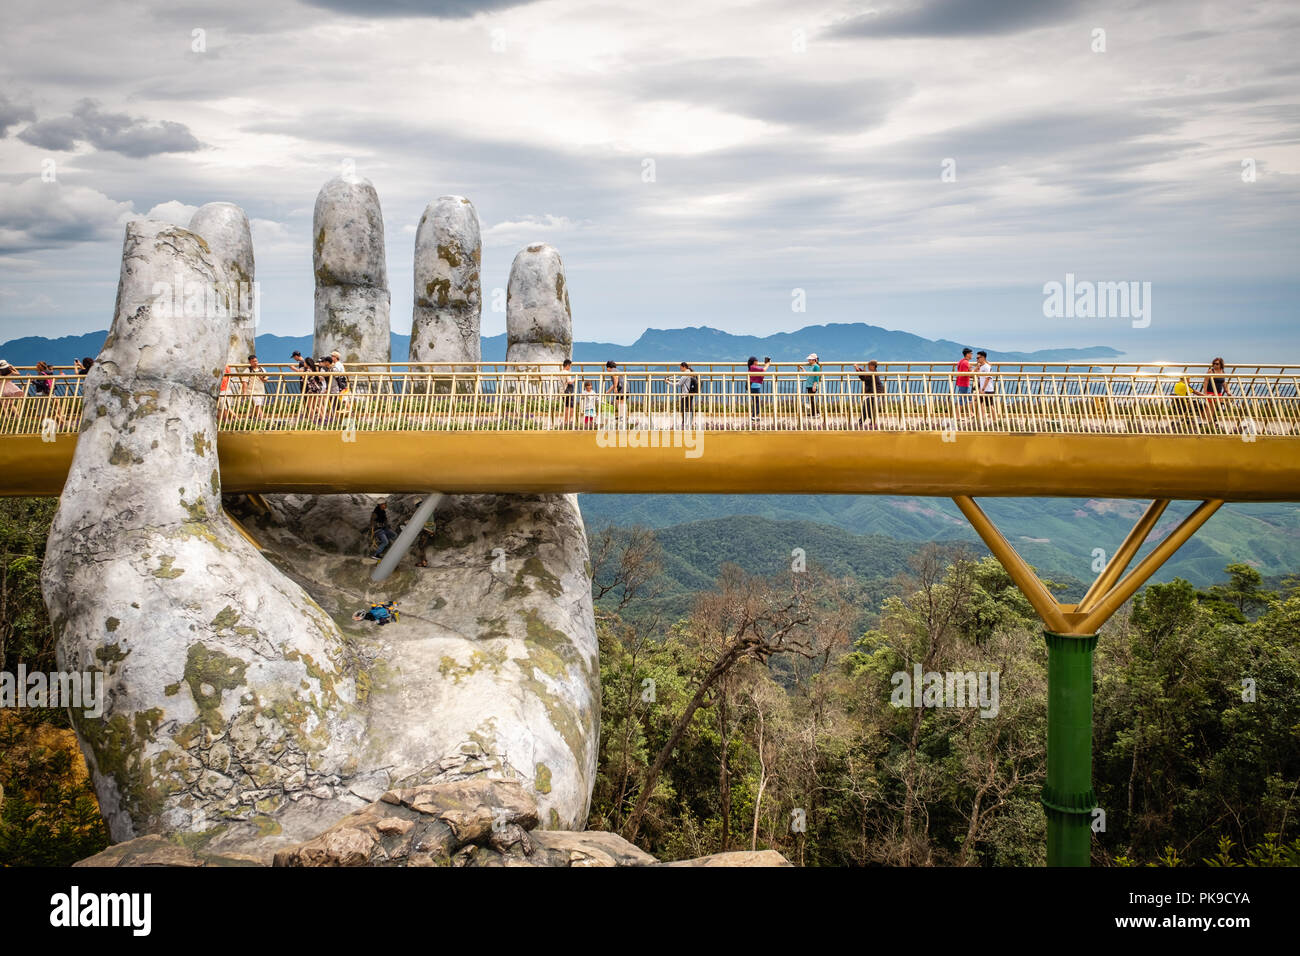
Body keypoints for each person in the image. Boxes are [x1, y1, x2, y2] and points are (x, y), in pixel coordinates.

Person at [854, 360, 884, 429]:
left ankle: (861, 423)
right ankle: (871, 423)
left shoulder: (873, 373)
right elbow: (864, 376)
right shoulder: (873, 373)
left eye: (869, 365)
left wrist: (858, 369)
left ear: (873, 366)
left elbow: (864, 377)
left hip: (874, 393)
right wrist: (858, 369)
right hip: (873, 393)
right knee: (869, 408)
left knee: (866, 407)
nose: (868, 367)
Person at [1200, 357, 1228, 426]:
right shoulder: (1210, 371)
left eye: (1217, 364)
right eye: (1214, 363)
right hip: (1211, 392)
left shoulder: (1222, 372)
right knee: (1211, 408)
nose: (1215, 365)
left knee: (1220, 407)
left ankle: (1207, 419)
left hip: (1219, 393)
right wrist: (1205, 393)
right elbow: (1205, 381)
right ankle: (1209, 422)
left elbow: (1224, 382)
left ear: (1221, 364)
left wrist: (1227, 391)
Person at [797, 353, 822, 422]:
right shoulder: (811, 366)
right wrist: (802, 368)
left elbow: (817, 376)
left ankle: (816, 413)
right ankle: (814, 413)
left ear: (814, 360)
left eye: (810, 359)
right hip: (809, 385)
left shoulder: (816, 367)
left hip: (812, 385)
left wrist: (814, 385)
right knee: (811, 399)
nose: (809, 360)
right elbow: (807, 374)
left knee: (812, 399)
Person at [245, 353, 269, 421]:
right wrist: (244, 392)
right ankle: (262, 420)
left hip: (261, 391)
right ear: (250, 362)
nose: (255, 363)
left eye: (256, 361)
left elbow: (266, 380)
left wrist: (261, 378)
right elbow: (244, 382)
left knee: (257, 406)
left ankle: (251, 416)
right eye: (253, 361)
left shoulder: (262, 369)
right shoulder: (248, 370)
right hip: (252, 391)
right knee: (258, 405)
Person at [675, 361, 697, 429]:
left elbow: (679, 384)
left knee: (684, 409)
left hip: (686, 394)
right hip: (690, 393)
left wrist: (668, 382)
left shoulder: (686, 374)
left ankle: (685, 423)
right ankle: (689, 423)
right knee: (689, 409)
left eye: (681, 368)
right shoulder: (690, 373)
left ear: (684, 367)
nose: (680, 369)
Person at [975, 350, 996, 422]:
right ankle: (980, 419)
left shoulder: (987, 367)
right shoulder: (981, 366)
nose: (977, 359)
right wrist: (977, 368)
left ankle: (995, 420)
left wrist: (983, 389)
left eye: (978, 358)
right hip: (982, 389)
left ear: (983, 358)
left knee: (990, 406)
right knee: (979, 403)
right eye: (976, 358)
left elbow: (987, 378)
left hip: (988, 389)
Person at [747, 356, 769, 422]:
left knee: (756, 402)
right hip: (754, 386)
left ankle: (755, 416)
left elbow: (761, 373)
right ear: (754, 362)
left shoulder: (753, 368)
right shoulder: (753, 367)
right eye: (757, 361)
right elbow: (763, 370)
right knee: (756, 402)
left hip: (755, 386)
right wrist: (767, 365)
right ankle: (754, 416)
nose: (758, 362)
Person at [604, 360, 625, 425]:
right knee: (619, 402)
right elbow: (614, 383)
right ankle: (622, 417)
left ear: (608, 367)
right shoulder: (616, 370)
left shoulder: (613, 370)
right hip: (623, 386)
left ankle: (622, 418)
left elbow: (616, 378)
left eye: (606, 368)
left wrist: (615, 387)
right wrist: (608, 391)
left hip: (621, 387)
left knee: (620, 402)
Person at [955, 347, 973, 419]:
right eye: (971, 354)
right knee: (962, 399)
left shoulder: (961, 361)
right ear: (967, 354)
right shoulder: (965, 362)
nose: (972, 355)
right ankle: (958, 416)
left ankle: (971, 414)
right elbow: (965, 374)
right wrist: (973, 370)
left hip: (961, 382)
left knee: (969, 399)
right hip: (964, 383)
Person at [561, 358, 576, 426]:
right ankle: (569, 421)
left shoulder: (560, 372)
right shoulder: (567, 372)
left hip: (562, 391)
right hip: (568, 391)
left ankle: (565, 421)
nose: (570, 367)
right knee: (571, 407)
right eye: (570, 366)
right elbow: (569, 382)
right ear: (567, 365)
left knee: (566, 407)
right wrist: (575, 379)